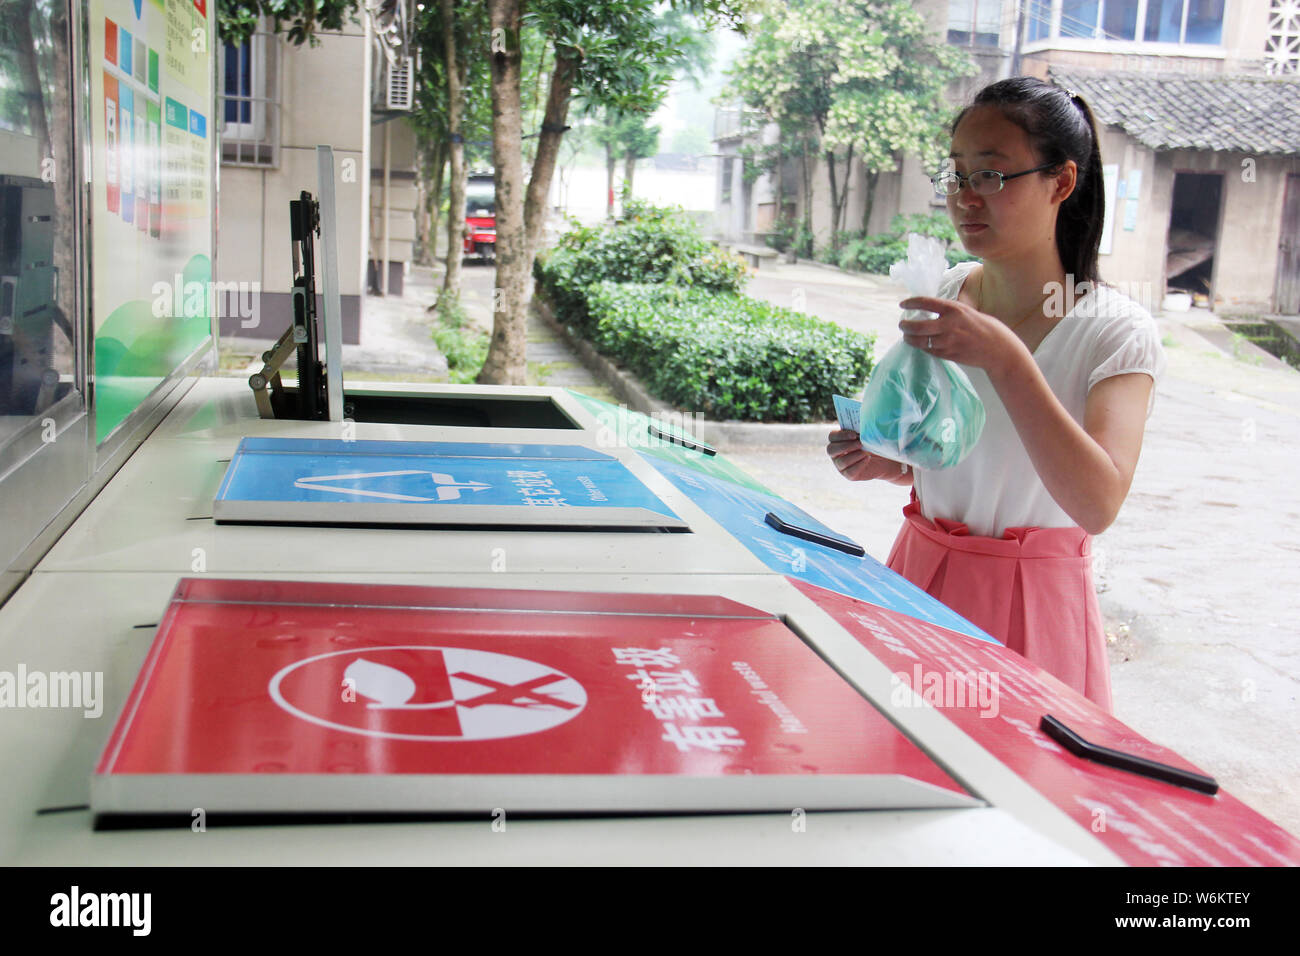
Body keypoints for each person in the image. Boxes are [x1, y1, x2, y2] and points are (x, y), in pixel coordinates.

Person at [825, 77, 1166, 712]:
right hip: (920, 577)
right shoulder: (954, 288)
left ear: (1060, 182)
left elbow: (1096, 503)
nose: (965, 198)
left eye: (992, 175)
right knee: (907, 775)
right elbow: (956, 444)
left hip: (1033, 604)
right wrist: (894, 463)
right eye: (956, 175)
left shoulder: (1116, 331)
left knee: (1018, 791)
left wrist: (1009, 361)